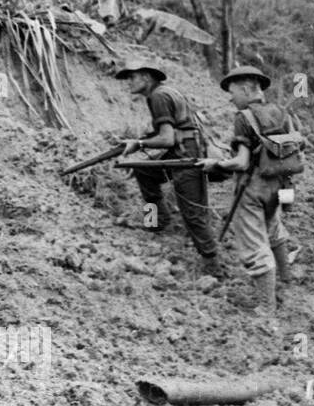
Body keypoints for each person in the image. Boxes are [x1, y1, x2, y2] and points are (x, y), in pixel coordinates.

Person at [199, 66, 301, 316]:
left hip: (252, 187)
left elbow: (242, 162)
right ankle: (285, 280)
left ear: (246, 88)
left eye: (232, 91)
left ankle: (267, 309)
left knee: (254, 244)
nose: (230, 98)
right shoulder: (282, 112)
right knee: (274, 229)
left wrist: (216, 164)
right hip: (280, 184)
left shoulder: (243, 117)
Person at [115, 61, 225, 278]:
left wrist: (139, 144)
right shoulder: (164, 93)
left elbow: (167, 138)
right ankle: (155, 222)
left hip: (186, 158)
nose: (129, 82)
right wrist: (141, 142)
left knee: (193, 213)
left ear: (146, 78)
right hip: (181, 152)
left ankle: (213, 264)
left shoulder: (158, 97)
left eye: (132, 77)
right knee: (144, 171)